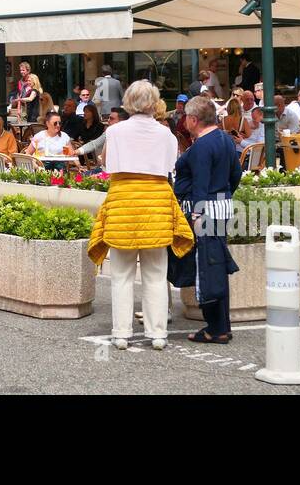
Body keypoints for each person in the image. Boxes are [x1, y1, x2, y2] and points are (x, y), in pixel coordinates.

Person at [87, 80, 193, 351]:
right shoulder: (166, 134)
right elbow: (170, 169)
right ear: (154, 103)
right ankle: (157, 333)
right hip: (156, 201)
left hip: (123, 199)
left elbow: (108, 165)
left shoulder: (116, 131)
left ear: (128, 103)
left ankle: (121, 333)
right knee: (156, 274)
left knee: (121, 274)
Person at [170, 95, 241, 343]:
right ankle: (222, 324)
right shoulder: (225, 139)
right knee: (217, 267)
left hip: (204, 210)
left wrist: (196, 214)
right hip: (221, 206)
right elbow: (236, 173)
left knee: (207, 269)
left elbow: (199, 182)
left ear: (193, 119)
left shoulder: (201, 145)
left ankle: (216, 328)